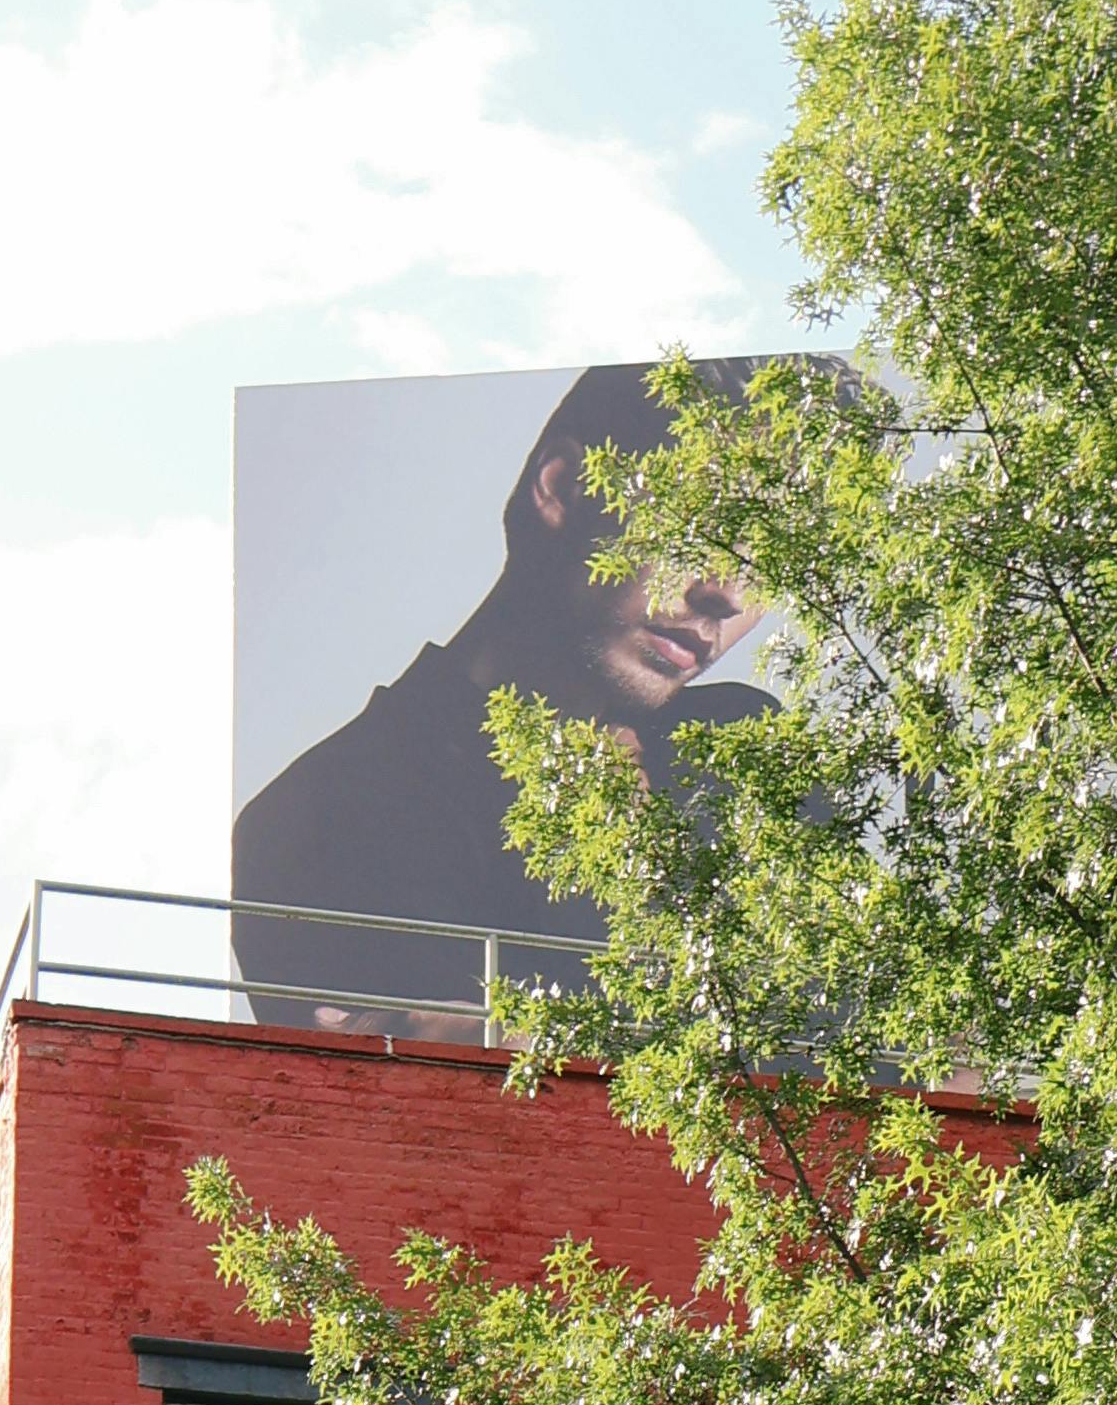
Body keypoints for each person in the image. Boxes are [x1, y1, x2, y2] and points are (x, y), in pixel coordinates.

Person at [229, 359, 780, 1017]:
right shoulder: (321, 819)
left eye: (772, 563)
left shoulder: (743, 751)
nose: (727, 595)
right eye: (704, 523)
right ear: (563, 486)